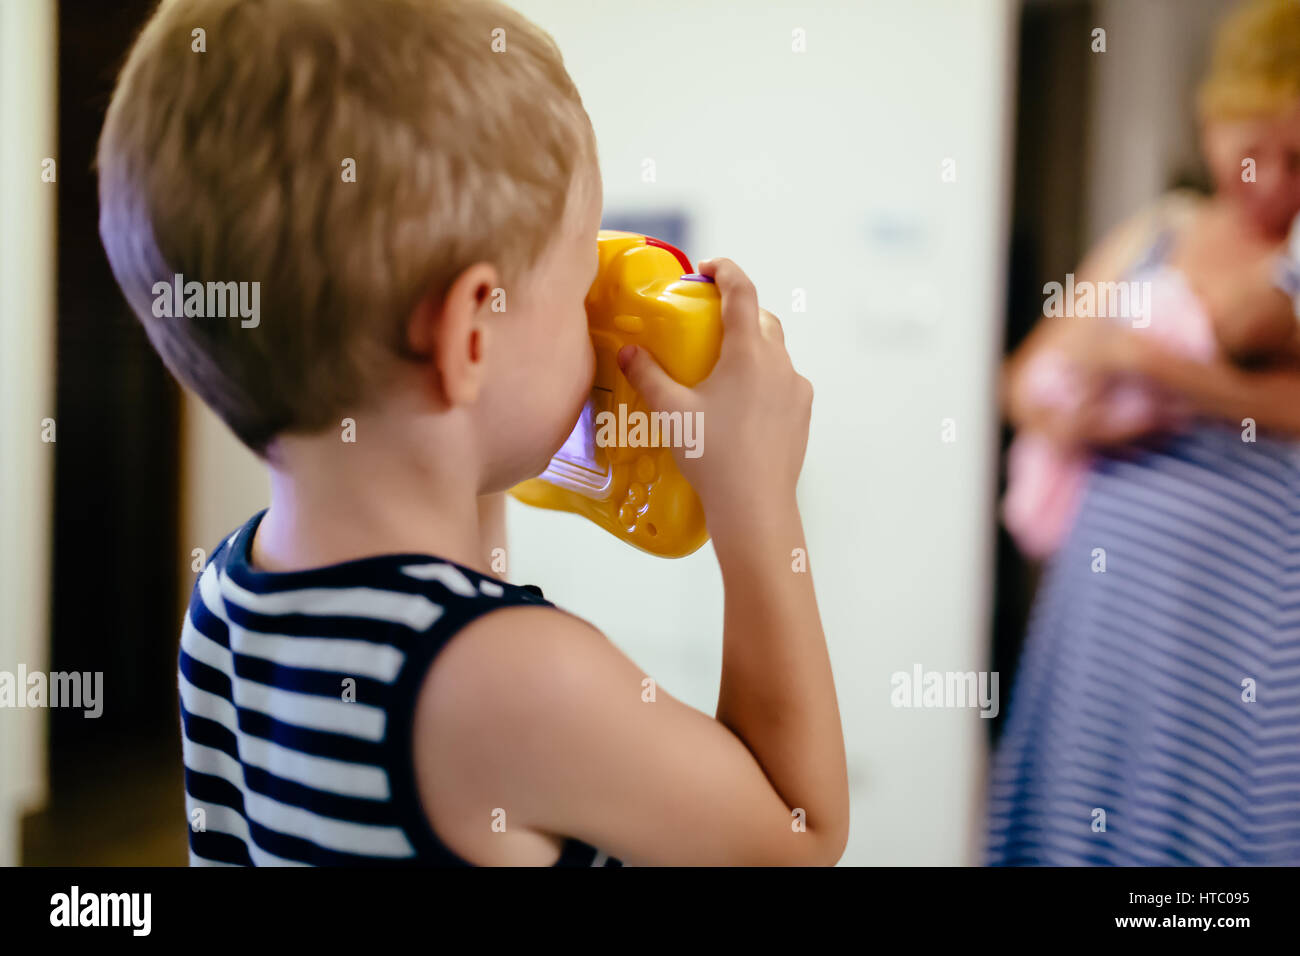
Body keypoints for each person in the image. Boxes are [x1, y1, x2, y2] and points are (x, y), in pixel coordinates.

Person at [96, 0, 846, 866]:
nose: (591, 318)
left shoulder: (227, 604)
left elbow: (448, 570)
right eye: (577, 295)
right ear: (471, 338)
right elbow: (799, 832)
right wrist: (756, 506)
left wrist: (502, 424)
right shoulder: (522, 681)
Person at [987, 0, 1300, 865]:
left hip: (1251, 608)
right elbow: (1022, 383)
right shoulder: (1155, 234)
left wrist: (1157, 369)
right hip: (1113, 598)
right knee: (1100, 791)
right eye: (1251, 151)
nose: (1271, 181)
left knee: (1231, 815)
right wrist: (1068, 410)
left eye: (1299, 159)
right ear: (1211, 127)